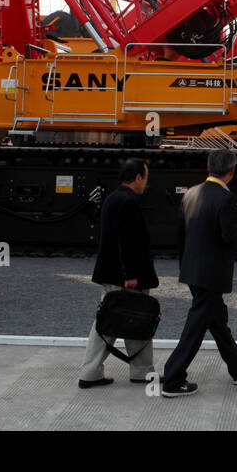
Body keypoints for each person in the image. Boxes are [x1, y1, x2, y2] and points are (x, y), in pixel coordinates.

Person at [160, 150, 237, 397]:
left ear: (208, 167)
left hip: (193, 270)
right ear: (232, 171)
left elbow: (180, 235)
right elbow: (230, 236)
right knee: (196, 325)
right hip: (212, 272)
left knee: (216, 320)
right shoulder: (225, 199)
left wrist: (186, 265)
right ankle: (172, 378)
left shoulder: (190, 193)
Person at [79, 159, 159, 388]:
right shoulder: (129, 202)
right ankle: (141, 371)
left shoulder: (113, 199)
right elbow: (129, 243)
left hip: (110, 273)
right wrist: (131, 275)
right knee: (136, 318)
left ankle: (91, 371)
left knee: (107, 322)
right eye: (145, 176)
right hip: (124, 276)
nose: (146, 182)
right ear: (137, 178)